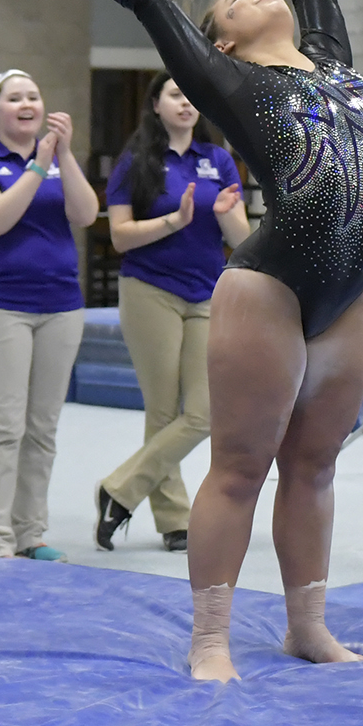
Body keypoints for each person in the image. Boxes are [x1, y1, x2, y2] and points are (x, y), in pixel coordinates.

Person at [22, 0, 363, 682]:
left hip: (355, 291)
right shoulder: (229, 78)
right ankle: (210, 639)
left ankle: (307, 627)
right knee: (239, 464)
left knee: (316, 464)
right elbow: (151, 1)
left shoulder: (336, 65)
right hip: (272, 285)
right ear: (222, 38)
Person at [94, 73, 250, 553]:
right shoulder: (135, 162)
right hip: (150, 291)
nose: (185, 103)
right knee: (162, 411)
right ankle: (175, 520)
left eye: (191, 96)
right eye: (175, 95)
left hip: (206, 294)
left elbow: (242, 242)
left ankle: (118, 490)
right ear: (156, 105)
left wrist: (225, 214)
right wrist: (174, 221)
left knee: (202, 413)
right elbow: (119, 236)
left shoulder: (218, 161)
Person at [0, 69, 98, 561]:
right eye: (13, 97)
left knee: (42, 428)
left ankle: (31, 533)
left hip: (61, 307)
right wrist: (37, 169)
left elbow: (85, 214)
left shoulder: (57, 158)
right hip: (1, 309)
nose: (26, 104)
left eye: (34, 96)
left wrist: (62, 156)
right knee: (3, 428)